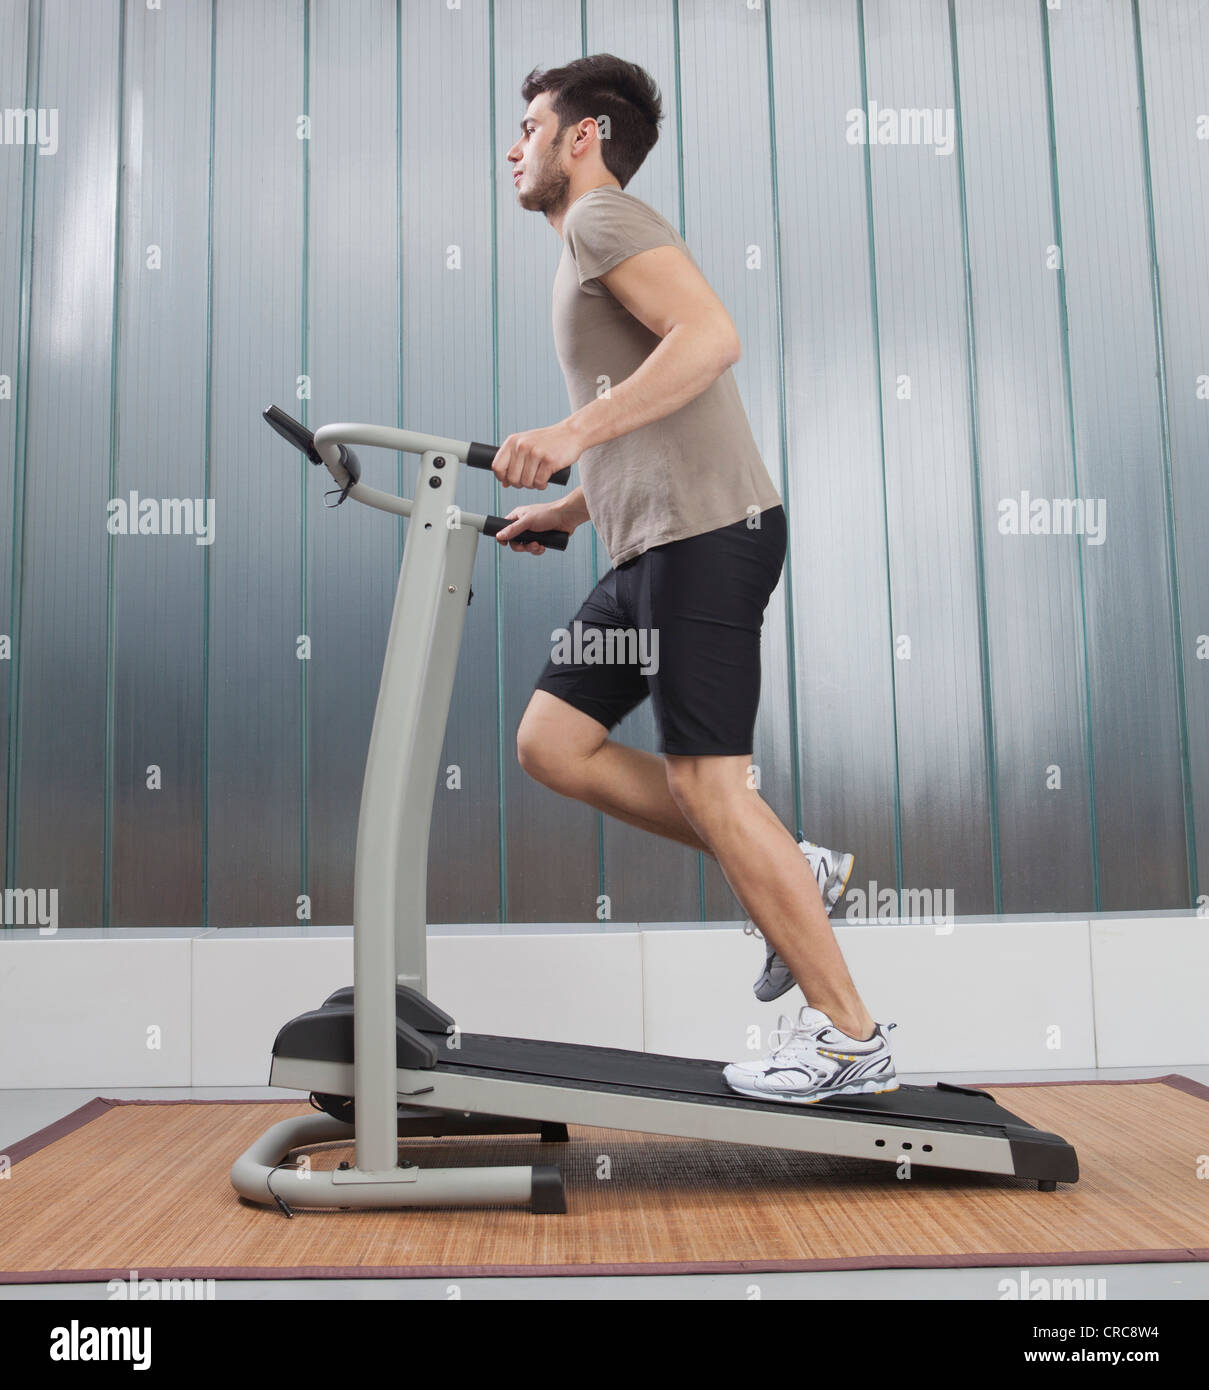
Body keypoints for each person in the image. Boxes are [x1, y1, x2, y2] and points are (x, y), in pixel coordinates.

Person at [491, 54, 896, 1104]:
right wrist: (572, 504)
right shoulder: (587, 241)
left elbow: (711, 340)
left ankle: (851, 1036)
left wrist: (566, 436)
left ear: (583, 138)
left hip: (706, 538)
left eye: (530, 126)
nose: (513, 146)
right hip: (648, 545)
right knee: (552, 742)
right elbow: (656, 399)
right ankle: (793, 865)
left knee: (708, 783)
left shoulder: (601, 221)